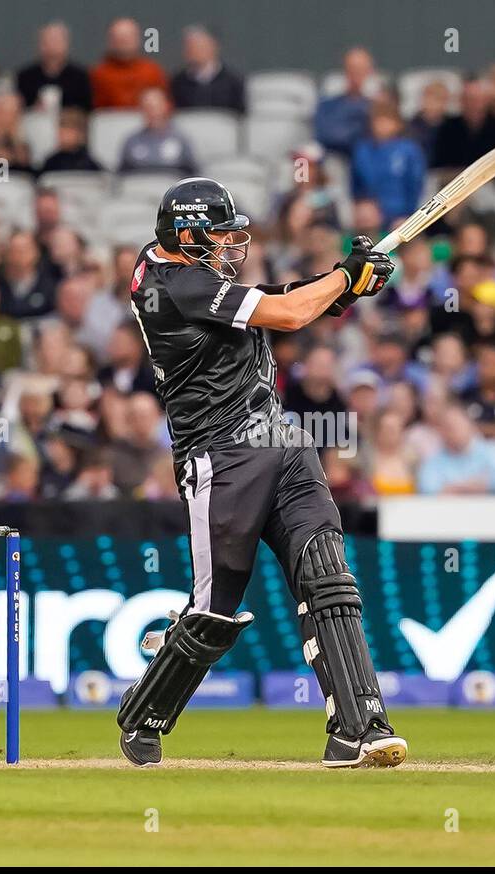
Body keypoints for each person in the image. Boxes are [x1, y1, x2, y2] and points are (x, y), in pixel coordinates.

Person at [117, 176, 402, 769]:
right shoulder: (172, 284)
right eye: (218, 235)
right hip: (219, 458)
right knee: (213, 610)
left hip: (279, 439)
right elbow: (287, 313)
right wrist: (343, 279)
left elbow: (278, 301)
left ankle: (359, 727)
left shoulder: (189, 273)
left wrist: (343, 289)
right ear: (187, 235)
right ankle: (144, 713)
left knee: (326, 577)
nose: (229, 246)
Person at [350, 102, 426, 226]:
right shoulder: (362, 150)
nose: (382, 125)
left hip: (401, 214)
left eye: (387, 120)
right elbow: (355, 186)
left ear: (398, 124)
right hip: (370, 214)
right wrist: (362, 208)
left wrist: (409, 215)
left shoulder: (409, 150)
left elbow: (415, 185)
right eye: (378, 120)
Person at [90, 17, 168, 109]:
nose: (124, 42)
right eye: (119, 38)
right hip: (110, 121)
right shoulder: (98, 74)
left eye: (128, 37)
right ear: (110, 41)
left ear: (137, 39)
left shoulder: (152, 71)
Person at [117, 88, 197, 176]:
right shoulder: (131, 141)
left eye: (156, 107)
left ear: (167, 107)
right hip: (139, 187)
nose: (151, 112)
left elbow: (192, 175)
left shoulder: (181, 139)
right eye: (146, 107)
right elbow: (121, 175)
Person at [17, 21, 92, 112]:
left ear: (66, 44)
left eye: (56, 41)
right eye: (46, 42)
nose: (51, 46)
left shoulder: (80, 77)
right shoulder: (26, 77)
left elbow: (86, 109)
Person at [314, 47, 375, 157]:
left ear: (370, 72)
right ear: (345, 71)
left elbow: (385, 136)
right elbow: (326, 135)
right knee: (302, 162)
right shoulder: (328, 105)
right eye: (352, 69)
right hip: (335, 158)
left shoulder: (380, 106)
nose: (356, 74)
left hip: (370, 161)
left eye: (361, 69)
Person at [170, 25, 245, 114]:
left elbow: (240, 112)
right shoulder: (178, 82)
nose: (195, 51)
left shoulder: (233, 81)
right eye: (190, 47)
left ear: (213, 47)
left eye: (200, 47)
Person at [39, 108, 103, 173]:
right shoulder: (50, 163)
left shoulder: (90, 165)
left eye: (68, 128)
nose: (61, 132)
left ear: (81, 133)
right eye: (61, 126)